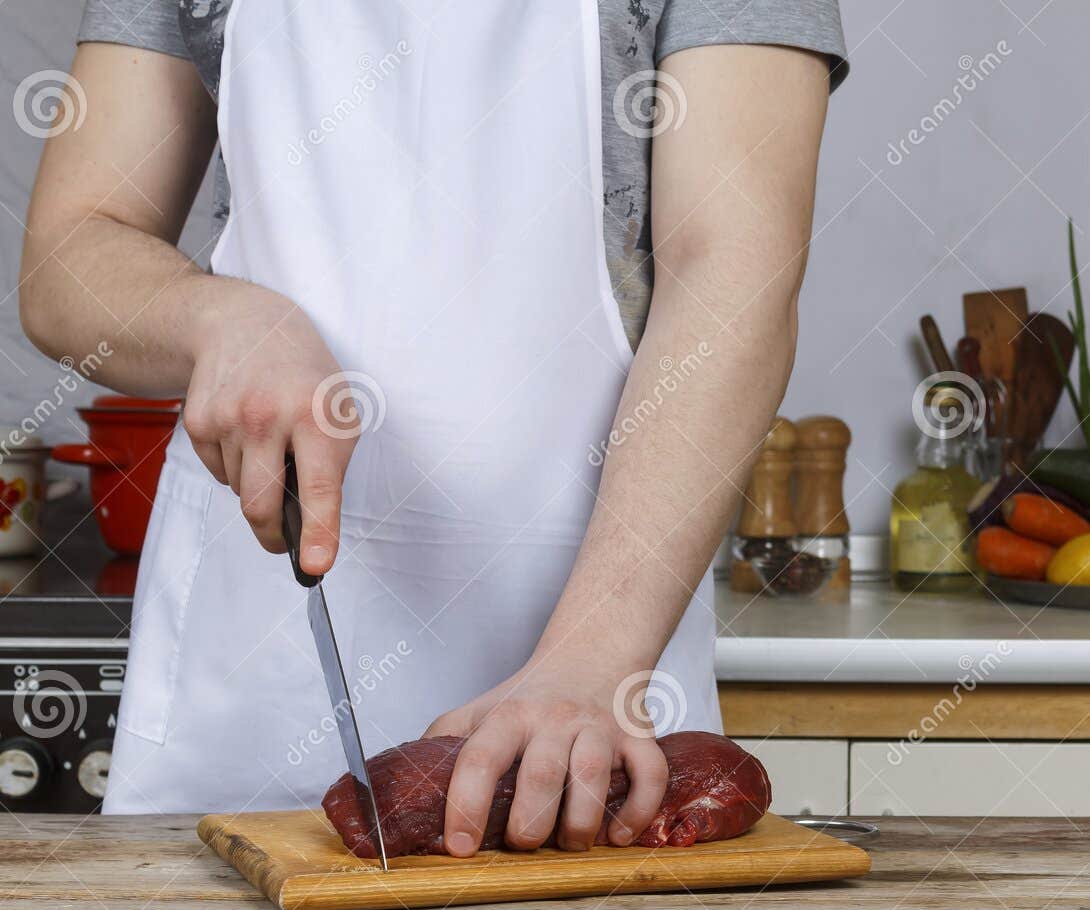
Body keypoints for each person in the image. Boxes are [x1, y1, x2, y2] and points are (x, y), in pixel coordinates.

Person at [19, 1, 844, 855]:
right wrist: (214, 318)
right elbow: (66, 255)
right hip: (247, 685)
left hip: (596, 692)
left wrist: (593, 660)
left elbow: (736, 275)